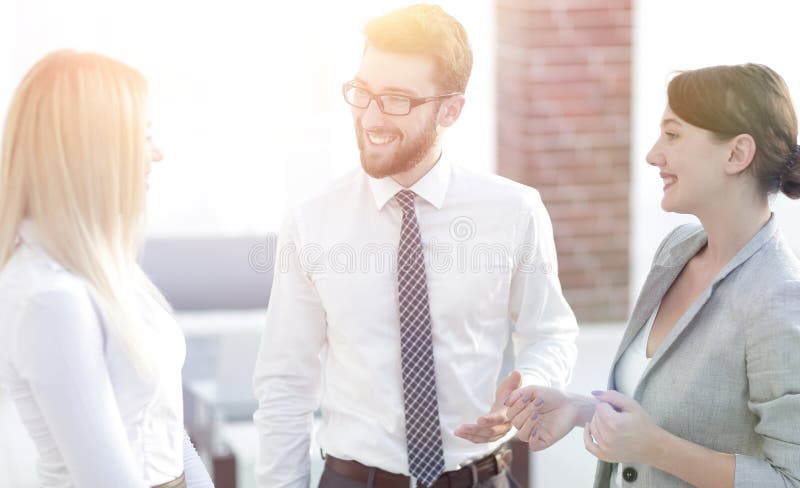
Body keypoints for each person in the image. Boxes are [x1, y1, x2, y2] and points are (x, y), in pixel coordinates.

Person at [252, 4, 579, 488]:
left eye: (397, 100)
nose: (371, 117)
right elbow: (286, 381)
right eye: (362, 93)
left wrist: (527, 389)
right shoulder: (312, 220)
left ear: (450, 109)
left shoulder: (514, 211)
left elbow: (551, 331)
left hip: (480, 478)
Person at [504, 63, 800, 487]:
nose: (653, 154)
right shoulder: (677, 250)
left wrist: (654, 448)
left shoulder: (778, 298)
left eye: (674, 135)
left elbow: (790, 479)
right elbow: (655, 413)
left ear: (736, 154)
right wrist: (576, 409)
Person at [0, 50, 214, 488]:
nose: (158, 153)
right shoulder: (48, 296)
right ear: (96, 151)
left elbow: (166, 427)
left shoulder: (104, 269)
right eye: (144, 136)